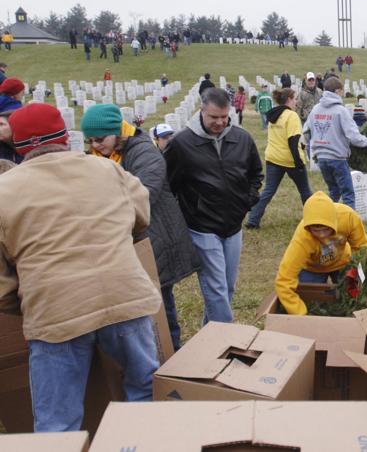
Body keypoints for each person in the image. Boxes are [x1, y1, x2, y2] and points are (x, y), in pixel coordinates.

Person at [0, 103, 162, 431]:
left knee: (57, 421)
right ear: (65, 137)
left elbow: (2, 284)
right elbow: (141, 214)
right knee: (145, 389)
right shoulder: (107, 169)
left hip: (55, 310)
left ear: (19, 145)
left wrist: (29, 302)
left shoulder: (4, 190)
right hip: (124, 296)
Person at [81, 104, 200, 351]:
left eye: (100, 139)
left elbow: (145, 193)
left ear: (117, 131)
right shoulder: (101, 156)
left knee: (160, 303)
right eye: (90, 140)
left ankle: (171, 352)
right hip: (126, 238)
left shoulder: (143, 152)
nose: (95, 145)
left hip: (155, 237)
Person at [164, 88, 263, 324]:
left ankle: (210, 337)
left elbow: (255, 174)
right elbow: (169, 185)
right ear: (202, 111)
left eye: (224, 117)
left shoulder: (242, 139)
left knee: (227, 287)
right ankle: (227, 338)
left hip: (233, 225)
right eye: (213, 117)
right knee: (216, 288)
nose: (219, 122)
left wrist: (247, 201)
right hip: (202, 226)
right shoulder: (182, 143)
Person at [273, 192, 367, 314]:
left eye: (326, 229)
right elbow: (284, 280)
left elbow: (363, 248)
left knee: (351, 295)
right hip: (312, 268)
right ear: (308, 227)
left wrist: (359, 273)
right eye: (316, 230)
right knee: (310, 300)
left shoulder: (348, 216)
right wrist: (301, 314)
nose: (321, 235)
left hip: (342, 261)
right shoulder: (302, 238)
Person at [247, 88, 312, 228]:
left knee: (268, 190)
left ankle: (252, 220)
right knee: (305, 191)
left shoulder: (273, 115)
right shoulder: (291, 116)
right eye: (295, 98)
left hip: (273, 158)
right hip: (290, 160)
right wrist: (299, 162)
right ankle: (314, 218)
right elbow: (293, 141)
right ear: (289, 99)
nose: (296, 102)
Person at [303, 77, 367, 209]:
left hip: (321, 159)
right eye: (342, 91)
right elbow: (353, 136)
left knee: (334, 191)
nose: (343, 94)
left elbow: (306, 130)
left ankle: (327, 216)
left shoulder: (316, 109)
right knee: (348, 193)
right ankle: (349, 220)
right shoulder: (341, 111)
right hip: (337, 158)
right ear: (337, 91)